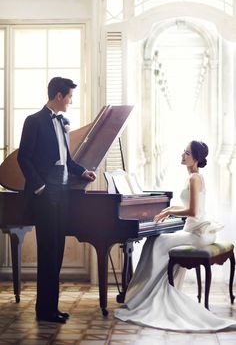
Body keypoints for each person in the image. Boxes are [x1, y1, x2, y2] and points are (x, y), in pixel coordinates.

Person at [115, 140, 236, 331]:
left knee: (155, 242)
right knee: (155, 242)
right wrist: (170, 208)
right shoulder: (196, 177)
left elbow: (193, 211)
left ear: (195, 159)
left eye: (186, 153)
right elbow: (192, 207)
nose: (183, 155)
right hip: (197, 231)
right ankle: (144, 293)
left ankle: (145, 295)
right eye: (183, 152)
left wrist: (170, 212)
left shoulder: (193, 178)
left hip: (197, 234)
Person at [17, 77, 96, 324]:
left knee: (57, 253)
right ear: (59, 96)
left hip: (63, 194)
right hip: (45, 195)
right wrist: (40, 187)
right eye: (70, 96)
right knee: (48, 253)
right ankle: (44, 310)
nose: (71, 101)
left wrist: (83, 171)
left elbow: (67, 160)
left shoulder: (64, 122)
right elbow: (24, 159)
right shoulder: (34, 121)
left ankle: (52, 308)